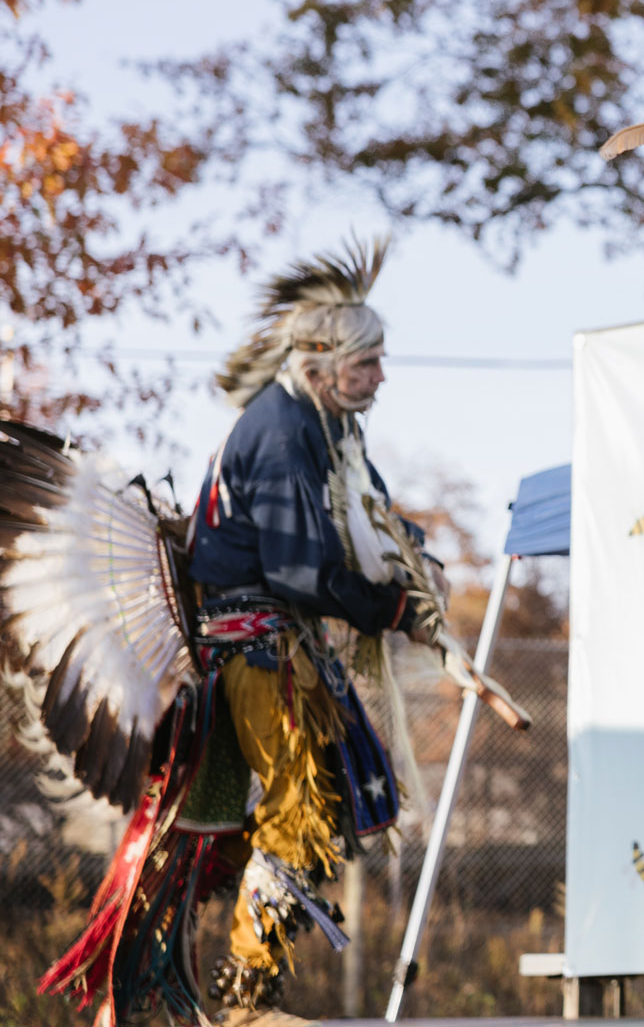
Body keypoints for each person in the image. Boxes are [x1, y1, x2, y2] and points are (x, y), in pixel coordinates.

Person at [39, 240, 445, 1027]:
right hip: (260, 652)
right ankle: (247, 1001)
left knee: (303, 815)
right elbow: (300, 569)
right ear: (323, 362)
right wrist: (384, 609)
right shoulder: (286, 431)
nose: (380, 377)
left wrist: (407, 561)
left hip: (272, 647)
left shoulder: (322, 428)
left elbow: (363, 523)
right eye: (368, 363)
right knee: (301, 812)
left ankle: (241, 991)